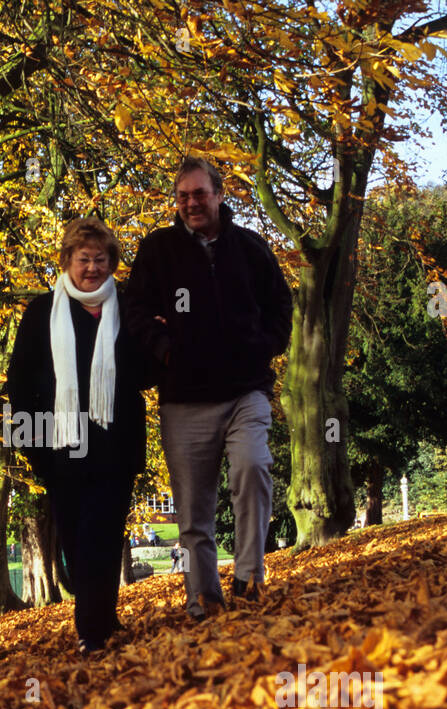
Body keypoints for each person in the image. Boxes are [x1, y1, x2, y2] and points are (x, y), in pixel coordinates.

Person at [124, 157, 292, 620]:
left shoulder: (251, 248)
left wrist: (265, 345)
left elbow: (281, 303)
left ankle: (250, 575)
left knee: (253, 468)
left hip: (246, 390)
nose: (191, 203)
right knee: (193, 509)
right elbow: (134, 310)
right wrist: (164, 349)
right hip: (184, 397)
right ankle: (203, 597)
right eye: (183, 196)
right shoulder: (157, 250)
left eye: (199, 194)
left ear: (219, 194)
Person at [7, 217, 151, 655]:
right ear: (67, 260)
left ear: (112, 264)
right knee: (77, 539)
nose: (91, 268)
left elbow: (145, 376)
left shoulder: (127, 309)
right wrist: (34, 449)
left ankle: (98, 624)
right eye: (83, 258)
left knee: (106, 536)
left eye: (100, 259)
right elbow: (20, 385)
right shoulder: (41, 313)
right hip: (62, 448)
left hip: (115, 444)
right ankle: (95, 626)